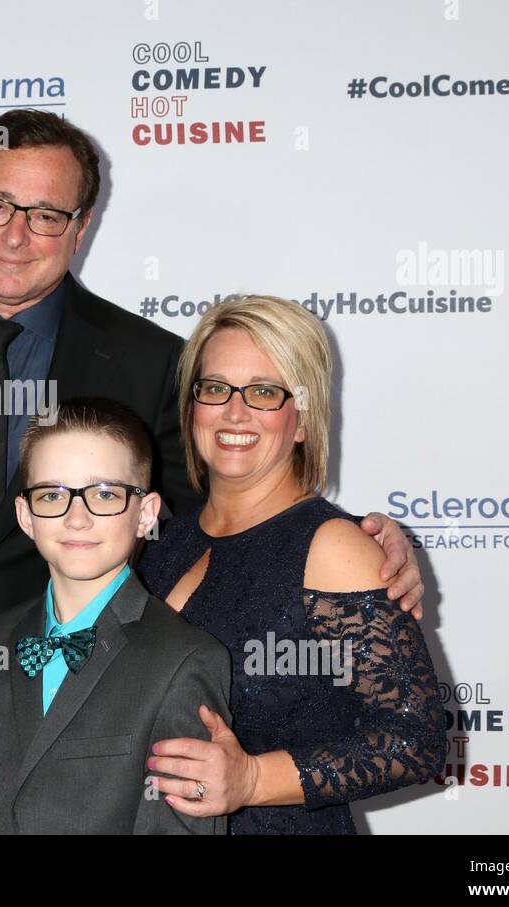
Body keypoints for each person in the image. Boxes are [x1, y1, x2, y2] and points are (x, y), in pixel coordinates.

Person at [0, 108, 423, 621]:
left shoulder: (150, 359)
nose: (15, 236)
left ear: (81, 227)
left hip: (75, 692)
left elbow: (217, 512)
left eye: (46, 215)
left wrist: (347, 541)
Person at [137, 295, 445, 834]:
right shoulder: (161, 541)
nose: (235, 412)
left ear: (302, 419)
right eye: (215, 389)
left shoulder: (330, 545)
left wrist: (254, 779)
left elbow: (414, 738)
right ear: (191, 408)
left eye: (264, 391)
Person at [0, 398, 231, 834]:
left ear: (145, 514)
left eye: (104, 494)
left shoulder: (184, 660)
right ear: (25, 516)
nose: (76, 517)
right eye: (51, 494)